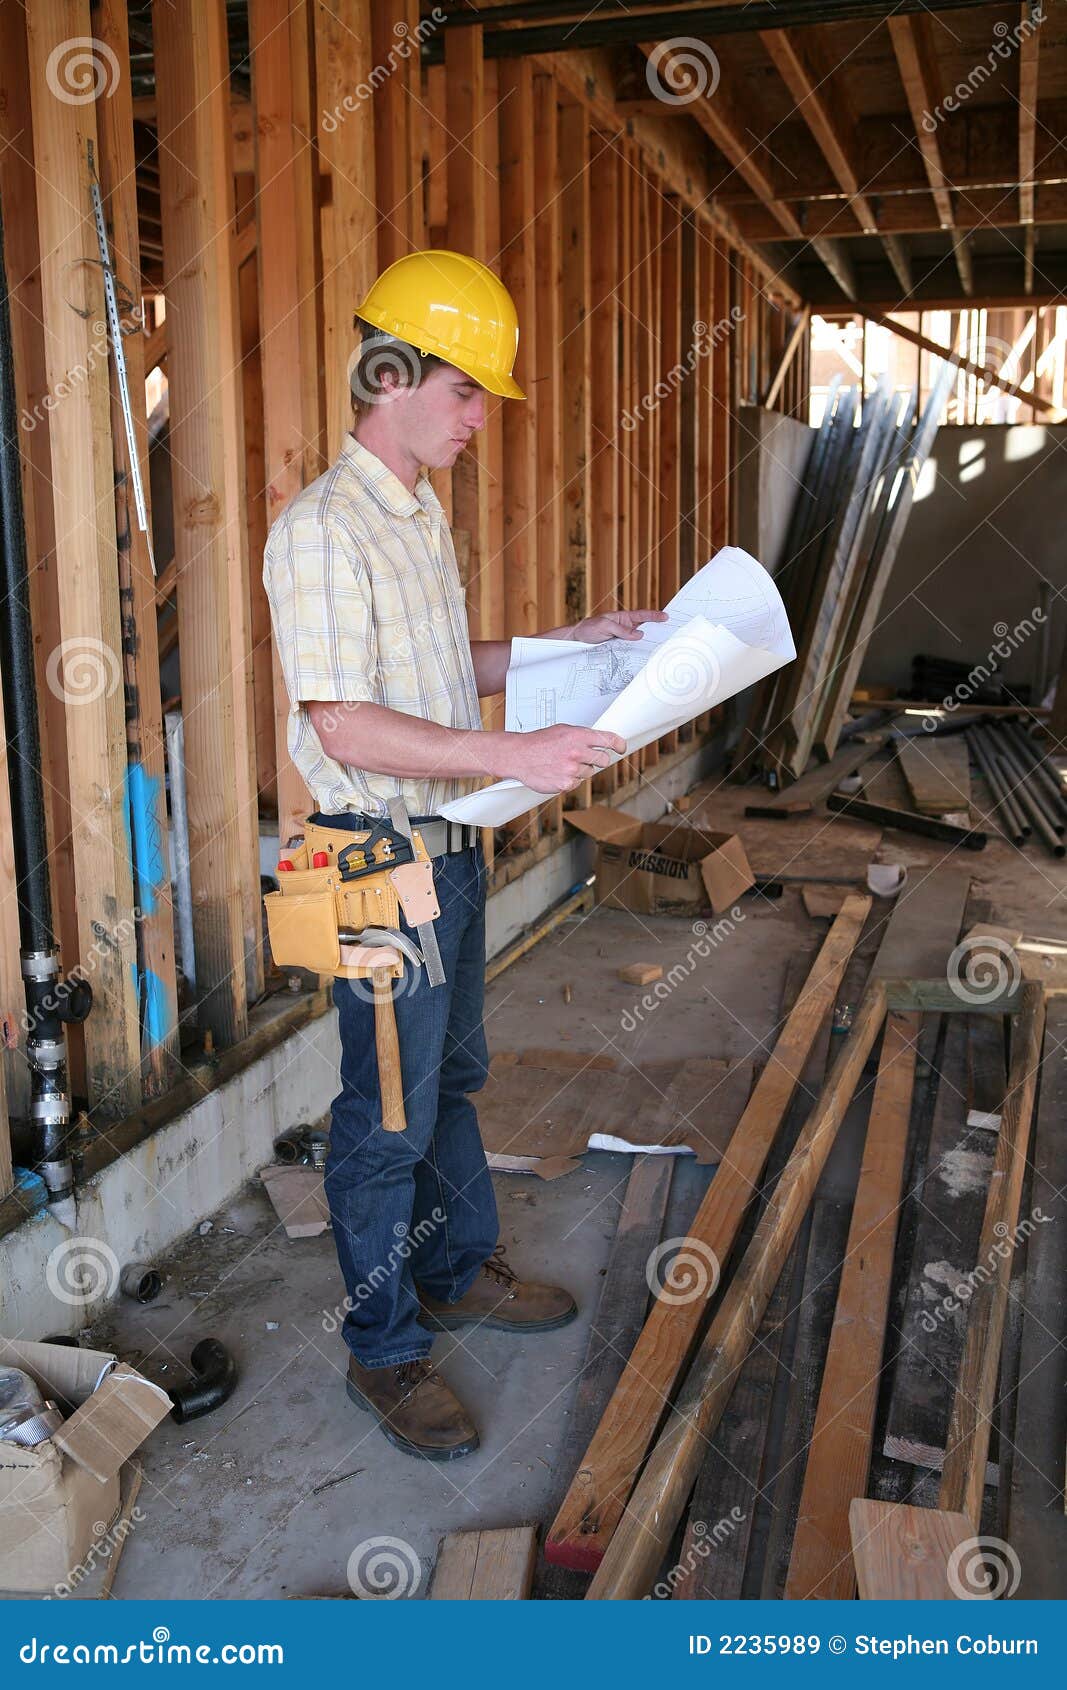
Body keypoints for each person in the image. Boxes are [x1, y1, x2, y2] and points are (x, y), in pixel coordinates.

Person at [263, 249, 664, 1461]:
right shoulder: (322, 531)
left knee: (451, 1081)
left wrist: (559, 647)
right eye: (469, 389)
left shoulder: (416, 512)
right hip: (370, 859)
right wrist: (513, 748)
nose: (482, 414)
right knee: (382, 1116)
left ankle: (448, 1267)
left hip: (444, 851)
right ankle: (382, 1349)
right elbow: (343, 722)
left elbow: (434, 679)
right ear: (390, 373)